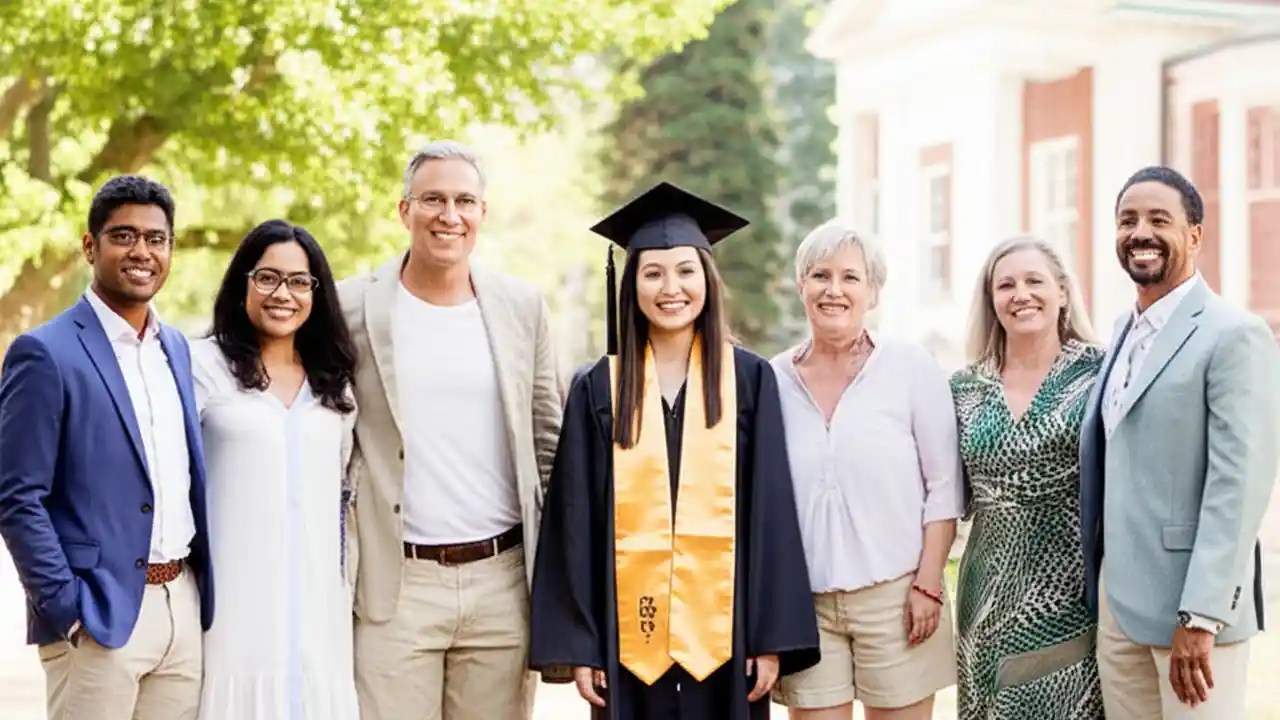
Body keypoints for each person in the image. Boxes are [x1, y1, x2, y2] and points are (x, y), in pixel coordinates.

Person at [529, 181, 820, 719]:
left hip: (727, 631)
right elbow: (575, 520)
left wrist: (769, 634)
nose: (671, 288)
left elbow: (772, 511)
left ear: (707, 278)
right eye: (653, 272)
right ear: (631, 284)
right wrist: (583, 643)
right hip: (625, 631)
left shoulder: (749, 380)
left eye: (686, 271)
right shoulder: (598, 387)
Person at [339, 140, 563, 720]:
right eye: (432, 199)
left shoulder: (521, 308)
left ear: (483, 213)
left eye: (465, 200)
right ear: (404, 209)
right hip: (397, 584)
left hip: (501, 582)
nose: (449, 214)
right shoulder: (352, 308)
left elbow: (548, 445)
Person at [0, 175, 213, 720]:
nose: (142, 251)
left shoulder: (177, 350)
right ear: (90, 245)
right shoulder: (45, 353)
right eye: (124, 236)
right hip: (98, 617)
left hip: (181, 607)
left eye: (156, 238)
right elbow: (17, 495)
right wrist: (66, 609)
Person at [1080, 166, 1280, 718]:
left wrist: (1202, 616)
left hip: (1191, 615)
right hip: (1118, 607)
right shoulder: (1121, 328)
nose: (1140, 232)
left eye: (1158, 220)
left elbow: (1238, 485)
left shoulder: (1233, 334)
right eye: (1127, 221)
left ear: (1194, 234)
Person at [769, 220, 963, 720]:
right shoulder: (771, 380)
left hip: (898, 598)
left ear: (873, 292)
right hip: (806, 606)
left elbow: (943, 487)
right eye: (820, 276)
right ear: (801, 286)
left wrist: (928, 585)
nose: (834, 290)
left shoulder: (910, 367)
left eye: (850, 278)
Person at [191, 219, 360, 719]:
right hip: (231, 614)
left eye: (299, 281)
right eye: (267, 277)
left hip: (319, 612)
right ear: (242, 282)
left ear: (317, 292)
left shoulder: (337, 386)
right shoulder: (201, 367)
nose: (282, 293)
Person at [949, 236, 1104, 718]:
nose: (1021, 294)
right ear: (991, 301)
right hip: (985, 593)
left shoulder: (1100, 372)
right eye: (1006, 285)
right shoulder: (964, 388)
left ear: (1061, 291)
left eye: (1034, 281)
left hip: (1070, 591)